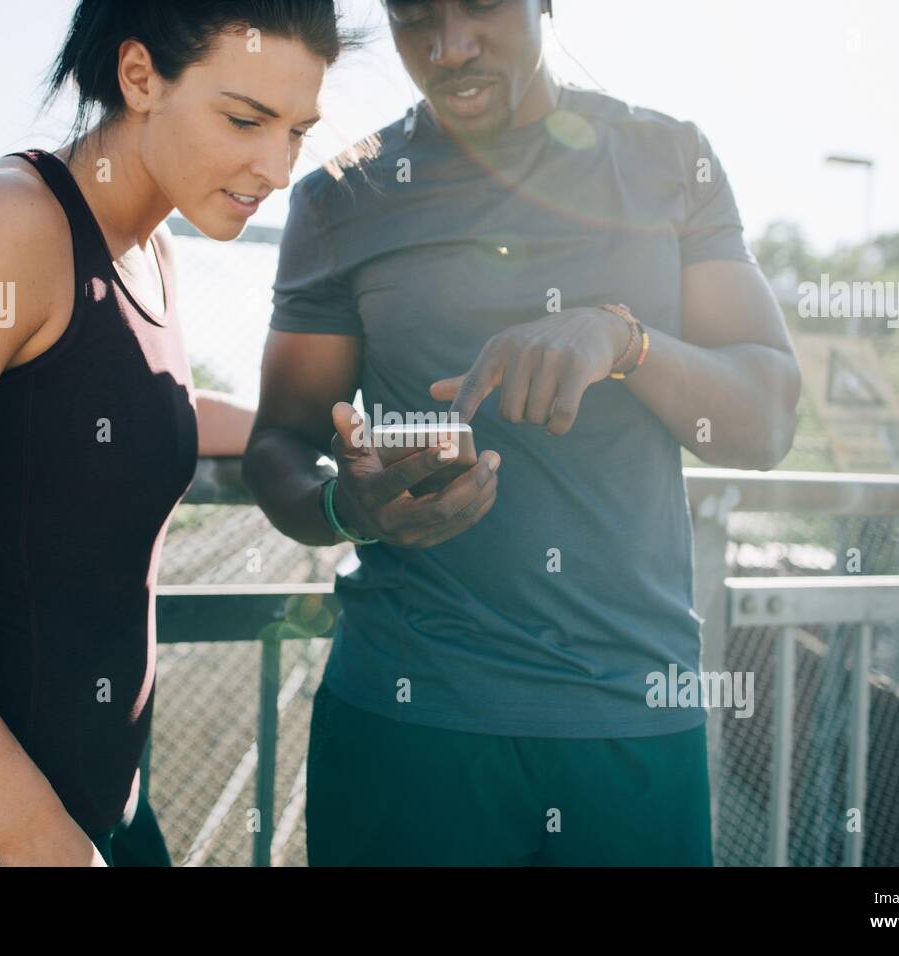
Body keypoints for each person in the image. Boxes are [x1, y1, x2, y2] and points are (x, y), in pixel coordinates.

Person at [243, 0, 801, 865]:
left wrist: (623, 339)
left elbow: (766, 423)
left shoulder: (668, 158)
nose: (450, 46)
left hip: (633, 715)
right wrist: (351, 507)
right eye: (415, 17)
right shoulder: (340, 194)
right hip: (406, 718)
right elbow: (277, 444)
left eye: (481, 7)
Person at [0, 0, 345, 866]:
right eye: (245, 119)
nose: (276, 167)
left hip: (104, 820)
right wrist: (30, 833)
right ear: (138, 77)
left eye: (297, 132)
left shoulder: (149, 249)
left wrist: (316, 432)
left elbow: (120, 408)